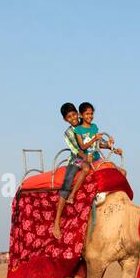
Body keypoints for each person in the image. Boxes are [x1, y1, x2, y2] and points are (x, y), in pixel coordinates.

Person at [53, 102, 92, 240]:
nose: (73, 118)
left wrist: (110, 147)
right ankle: (57, 221)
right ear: (65, 119)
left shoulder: (86, 125)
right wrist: (86, 157)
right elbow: (76, 150)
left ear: (78, 113)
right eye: (69, 116)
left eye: (74, 114)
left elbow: (95, 140)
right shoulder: (68, 133)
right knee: (68, 180)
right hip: (77, 158)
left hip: (92, 155)